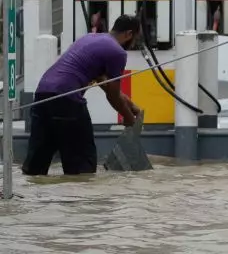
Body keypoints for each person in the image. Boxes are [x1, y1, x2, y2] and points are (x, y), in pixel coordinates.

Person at [22, 14, 143, 176]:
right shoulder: (117, 52)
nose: (134, 44)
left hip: (43, 94)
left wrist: (130, 105)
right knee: (82, 167)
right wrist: (128, 118)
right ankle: (80, 200)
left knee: (36, 164)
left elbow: (104, 84)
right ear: (129, 34)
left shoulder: (89, 38)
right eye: (135, 39)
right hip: (67, 99)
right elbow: (112, 96)